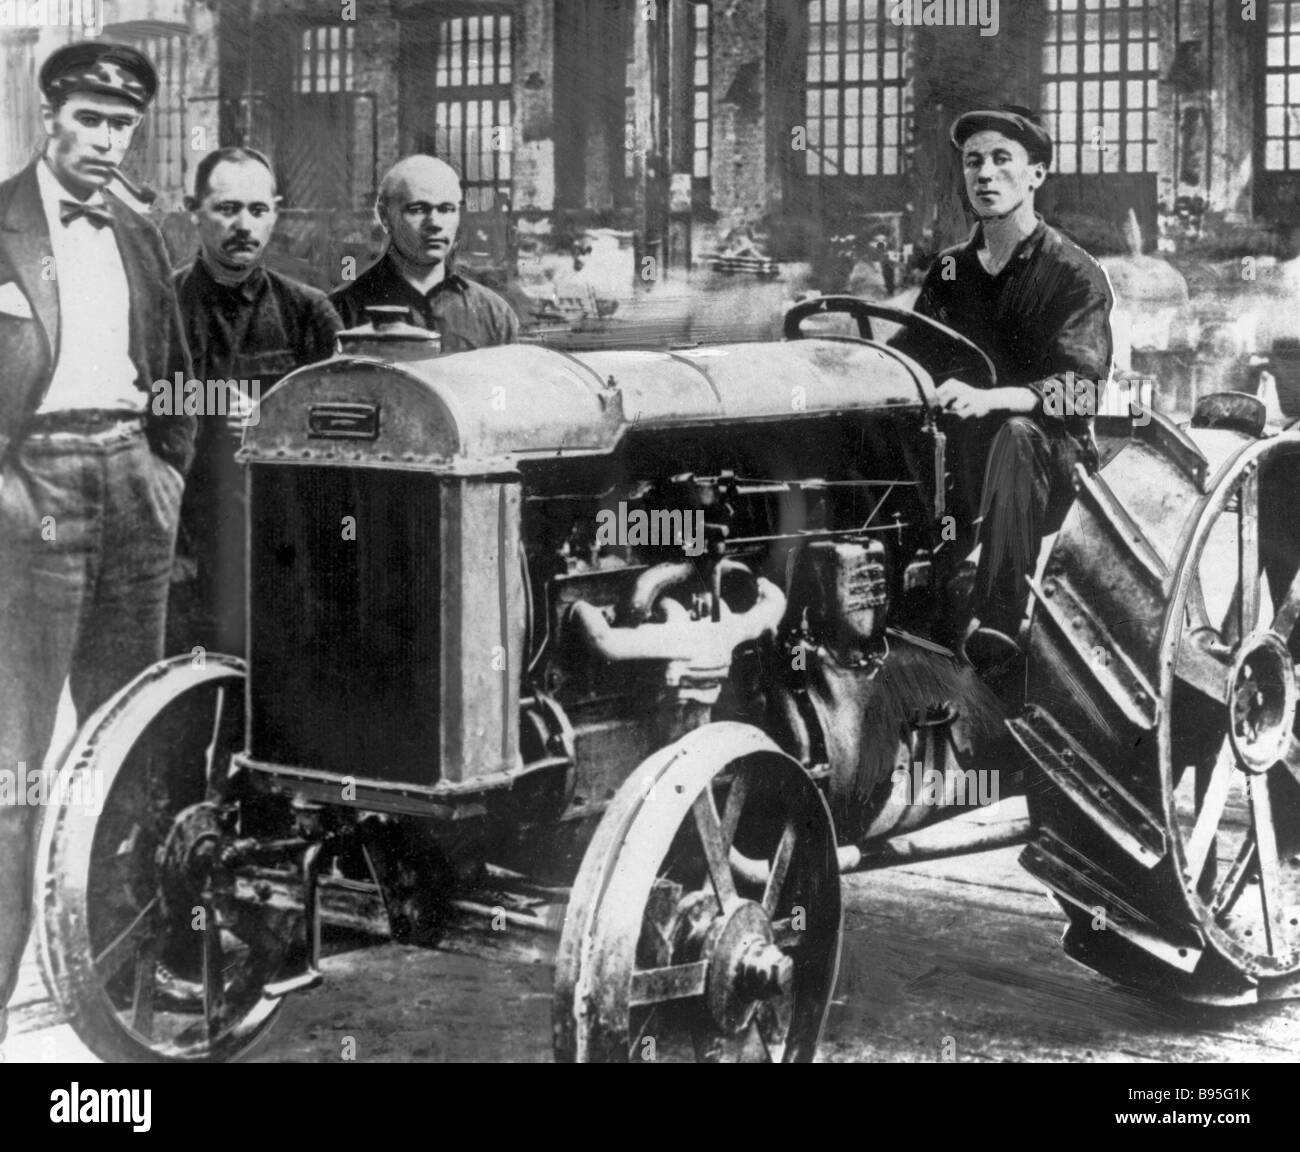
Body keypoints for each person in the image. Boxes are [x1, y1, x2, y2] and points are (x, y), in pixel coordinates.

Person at [0, 41, 194, 1051]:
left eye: (121, 125)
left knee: (133, 740)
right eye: (89, 120)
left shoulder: (140, 227)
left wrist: (163, 476)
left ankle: (122, 984)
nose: (104, 140)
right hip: (32, 486)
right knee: (16, 757)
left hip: (130, 479)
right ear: (53, 119)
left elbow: (177, 369)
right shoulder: (1, 221)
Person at [897, 106, 1114, 670]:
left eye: (1001, 160)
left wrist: (995, 398)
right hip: (962, 450)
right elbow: (909, 352)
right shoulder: (949, 270)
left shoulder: (1073, 273)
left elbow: (1083, 391)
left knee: (1015, 435)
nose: (985, 174)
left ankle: (999, 619)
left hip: (1050, 455)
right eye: (973, 162)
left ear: (1036, 173)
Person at [171, 147, 342, 656]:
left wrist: (270, 415)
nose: (243, 225)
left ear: (276, 212)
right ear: (192, 209)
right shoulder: (160, 306)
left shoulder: (309, 312)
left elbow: (339, 423)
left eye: (258, 210)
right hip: (187, 547)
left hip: (284, 544)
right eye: (226, 209)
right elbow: (145, 408)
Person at [331, 154, 519, 349]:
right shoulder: (343, 311)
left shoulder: (493, 314)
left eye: (446, 209)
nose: (435, 224)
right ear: (385, 216)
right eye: (418, 209)